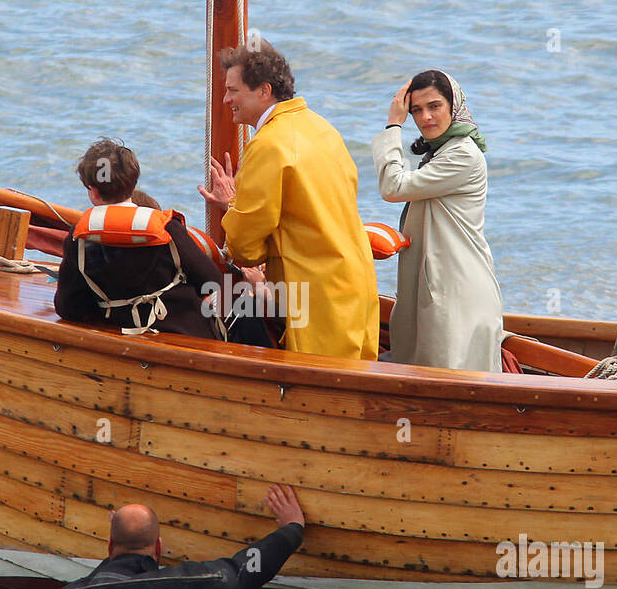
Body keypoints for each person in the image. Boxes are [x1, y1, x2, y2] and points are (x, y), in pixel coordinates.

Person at [199, 40, 380, 360]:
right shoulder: (322, 129)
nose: (226, 99)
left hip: (315, 299)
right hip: (357, 287)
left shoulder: (269, 144)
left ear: (264, 90)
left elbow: (244, 247)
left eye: (233, 90)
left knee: (318, 391)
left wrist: (232, 209)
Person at [371, 70, 503, 372]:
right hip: (440, 285)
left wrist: (394, 123)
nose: (425, 117)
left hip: (459, 293)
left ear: (453, 105)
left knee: (450, 384)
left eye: (435, 106)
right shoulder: (440, 152)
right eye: (416, 110)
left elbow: (393, 187)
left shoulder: (462, 156)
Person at [50, 138, 226, 340]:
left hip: (121, 334)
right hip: (187, 333)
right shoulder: (168, 227)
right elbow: (213, 281)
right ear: (133, 182)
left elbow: (68, 307)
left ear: (94, 190)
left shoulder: (79, 238)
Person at [50, 484, 306, 589]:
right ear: (159, 547)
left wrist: (119, 536)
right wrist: (292, 529)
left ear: (109, 546)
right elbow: (238, 573)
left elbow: (101, 585)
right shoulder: (171, 585)